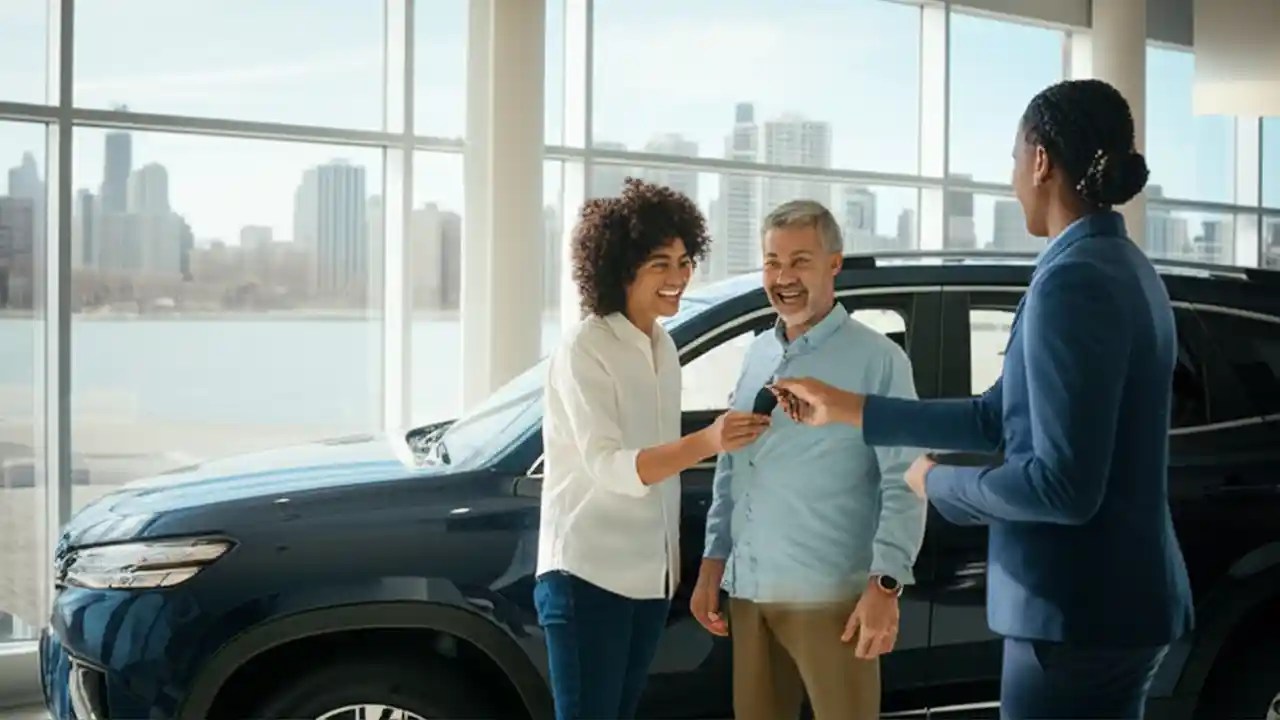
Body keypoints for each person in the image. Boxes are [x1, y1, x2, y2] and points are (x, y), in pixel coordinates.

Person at [771, 79, 1195, 720]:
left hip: (1073, 614)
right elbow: (998, 415)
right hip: (1110, 607)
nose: (1013, 179)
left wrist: (936, 483)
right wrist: (852, 407)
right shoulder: (1120, 263)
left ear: (1042, 160)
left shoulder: (1073, 281)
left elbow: (1061, 489)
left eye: (1015, 159)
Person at [536, 177, 771, 720]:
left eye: (685, 262)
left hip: (648, 579)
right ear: (621, 267)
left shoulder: (661, 344)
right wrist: (709, 440)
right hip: (587, 576)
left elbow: (659, 456)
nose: (679, 278)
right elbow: (609, 466)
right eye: (660, 264)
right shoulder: (587, 345)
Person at [690, 200, 926, 720]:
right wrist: (713, 563)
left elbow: (904, 478)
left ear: (834, 264)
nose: (783, 276)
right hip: (750, 594)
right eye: (773, 261)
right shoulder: (756, 354)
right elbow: (734, 467)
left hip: (832, 600)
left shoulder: (878, 360)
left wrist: (886, 583)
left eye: (800, 260)